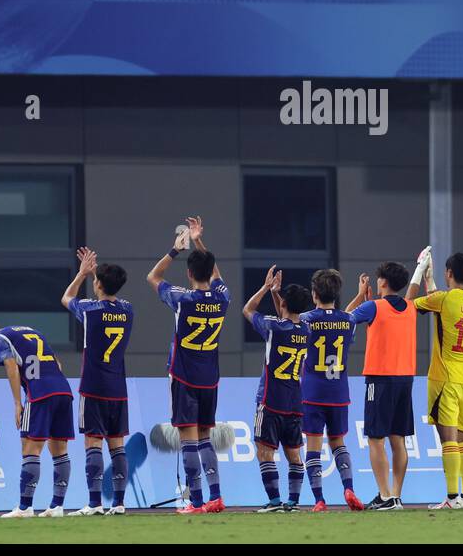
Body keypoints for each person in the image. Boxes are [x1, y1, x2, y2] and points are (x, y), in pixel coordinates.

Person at [144, 216, 229, 515]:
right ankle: (215, 496)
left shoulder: (183, 299)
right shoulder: (223, 299)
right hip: (211, 379)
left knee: (188, 439)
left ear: (190, 272)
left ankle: (195, 502)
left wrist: (176, 249)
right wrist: (200, 242)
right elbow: (215, 273)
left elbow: (152, 277)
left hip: (184, 377)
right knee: (206, 437)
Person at [0, 320, 75, 518]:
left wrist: (17, 403)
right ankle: (57, 507)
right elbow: (58, 363)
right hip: (63, 390)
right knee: (60, 451)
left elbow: (11, 366)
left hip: (39, 393)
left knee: (29, 448)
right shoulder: (31, 331)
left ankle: (25, 507)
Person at [60, 247, 134, 516]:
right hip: (118, 388)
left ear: (98, 284)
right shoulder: (128, 310)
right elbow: (111, 296)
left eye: (95, 280)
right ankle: (120, 503)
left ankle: (94, 503)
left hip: (93, 386)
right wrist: (98, 275)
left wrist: (82, 274)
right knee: (117, 446)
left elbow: (66, 297)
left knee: (93, 443)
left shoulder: (90, 310)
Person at [406, 247, 463, 509]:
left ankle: (451, 498)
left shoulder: (444, 300)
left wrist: (422, 271)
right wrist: (430, 277)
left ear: (449, 273)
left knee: (448, 439)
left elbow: (409, 305)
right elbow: (439, 298)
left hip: (445, 377)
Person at [346, 261, 417, 512]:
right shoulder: (410, 307)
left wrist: (359, 297)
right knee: (398, 440)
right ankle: (394, 496)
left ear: (383, 282)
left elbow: (344, 319)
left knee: (376, 439)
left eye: (377, 279)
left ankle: (386, 495)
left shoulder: (372, 306)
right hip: (405, 379)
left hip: (380, 379)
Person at [299, 269, 370, 511]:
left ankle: (319, 499)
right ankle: (349, 488)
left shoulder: (306, 319)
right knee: (339, 443)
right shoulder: (348, 321)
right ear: (336, 293)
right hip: (339, 392)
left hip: (312, 391)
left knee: (313, 446)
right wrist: (360, 296)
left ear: (314, 293)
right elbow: (343, 316)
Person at [241, 266, 310, 513]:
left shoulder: (273, 327)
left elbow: (247, 310)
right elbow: (286, 314)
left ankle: (274, 502)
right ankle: (292, 502)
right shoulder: (306, 330)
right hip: (294, 403)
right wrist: (278, 294)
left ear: (283, 304)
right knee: (294, 455)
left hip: (270, 401)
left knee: (264, 453)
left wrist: (266, 288)